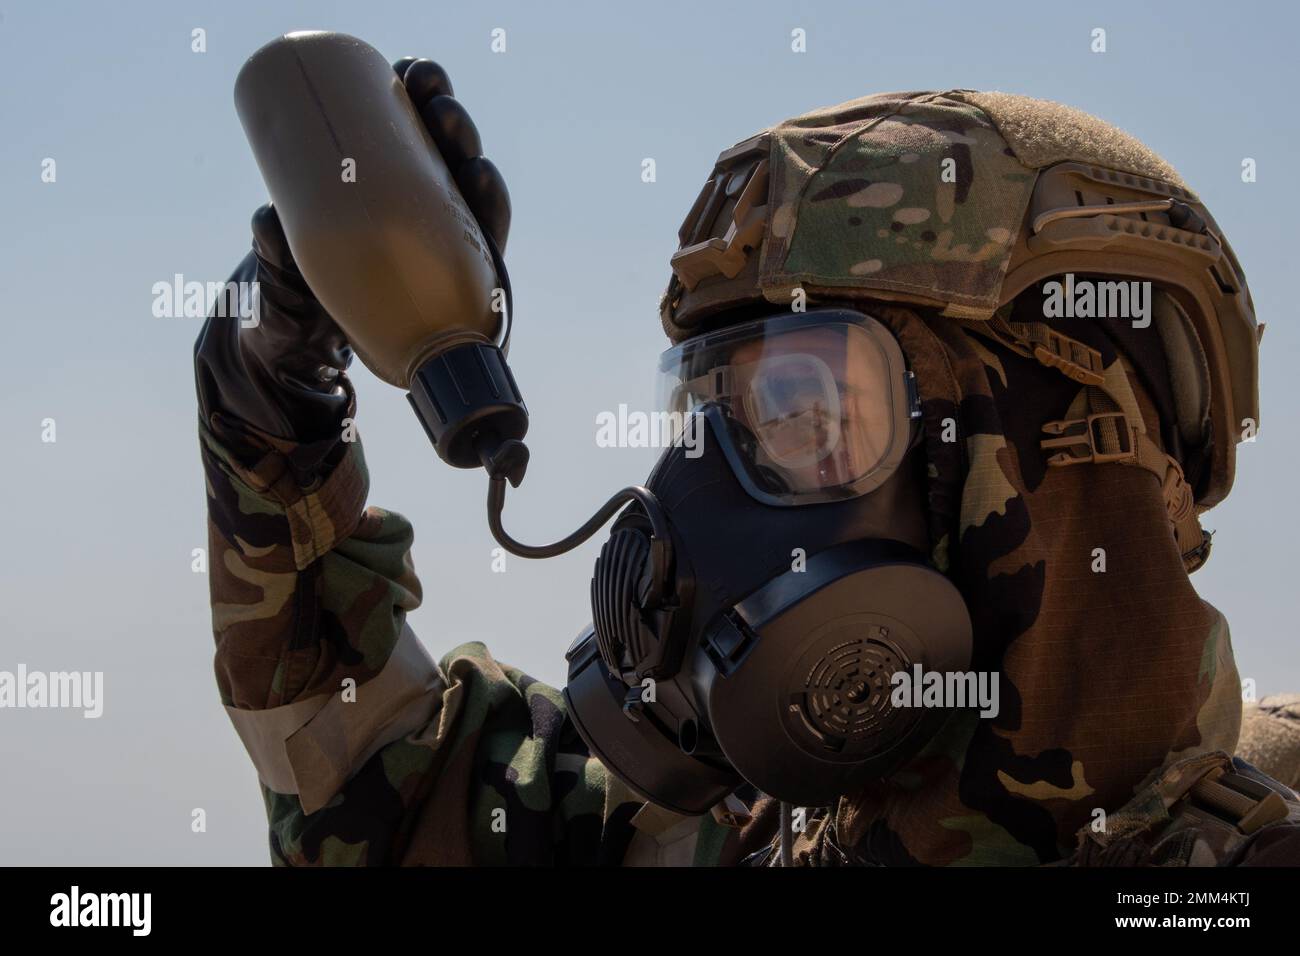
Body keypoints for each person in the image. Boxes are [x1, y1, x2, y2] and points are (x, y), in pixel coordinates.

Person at [193, 59, 1300, 865]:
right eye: (709, 413)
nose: (693, 500)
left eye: (803, 410)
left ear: (1066, 455)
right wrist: (273, 397)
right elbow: (372, 790)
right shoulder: (749, 840)